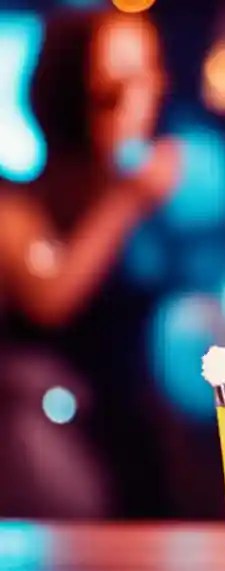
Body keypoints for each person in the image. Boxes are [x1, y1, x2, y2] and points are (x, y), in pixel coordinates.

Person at [0, 8, 181, 518]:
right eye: (117, 86)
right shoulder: (20, 203)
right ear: (68, 93)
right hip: (52, 445)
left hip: (138, 430)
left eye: (151, 76)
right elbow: (49, 298)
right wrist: (124, 203)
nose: (143, 98)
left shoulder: (147, 196)